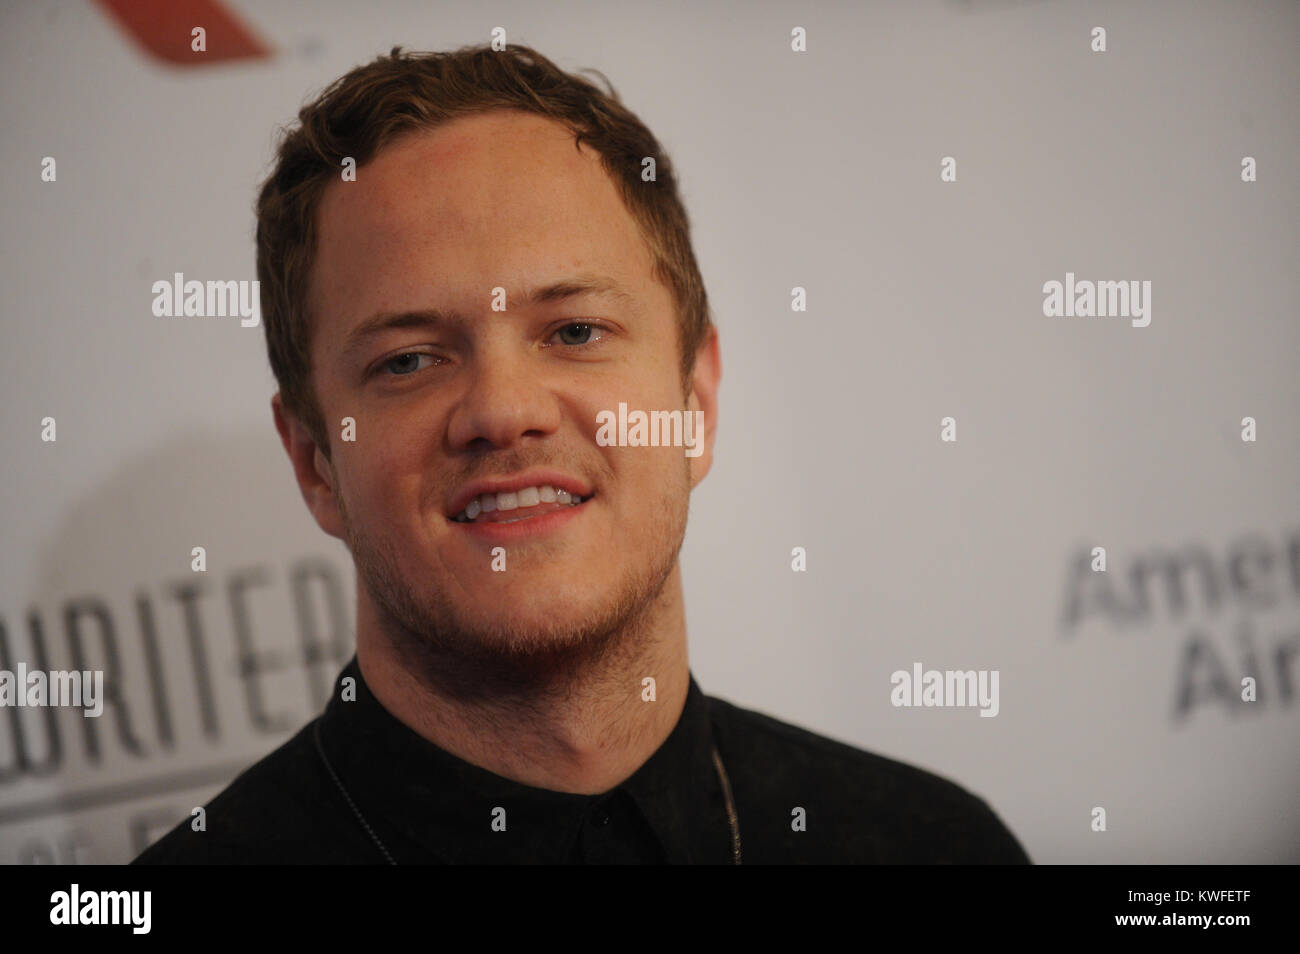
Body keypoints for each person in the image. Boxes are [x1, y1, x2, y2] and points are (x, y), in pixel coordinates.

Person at [134, 44, 1029, 864]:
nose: (503, 411)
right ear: (313, 462)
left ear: (695, 402)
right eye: (408, 359)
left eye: (574, 329)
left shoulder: (936, 847)